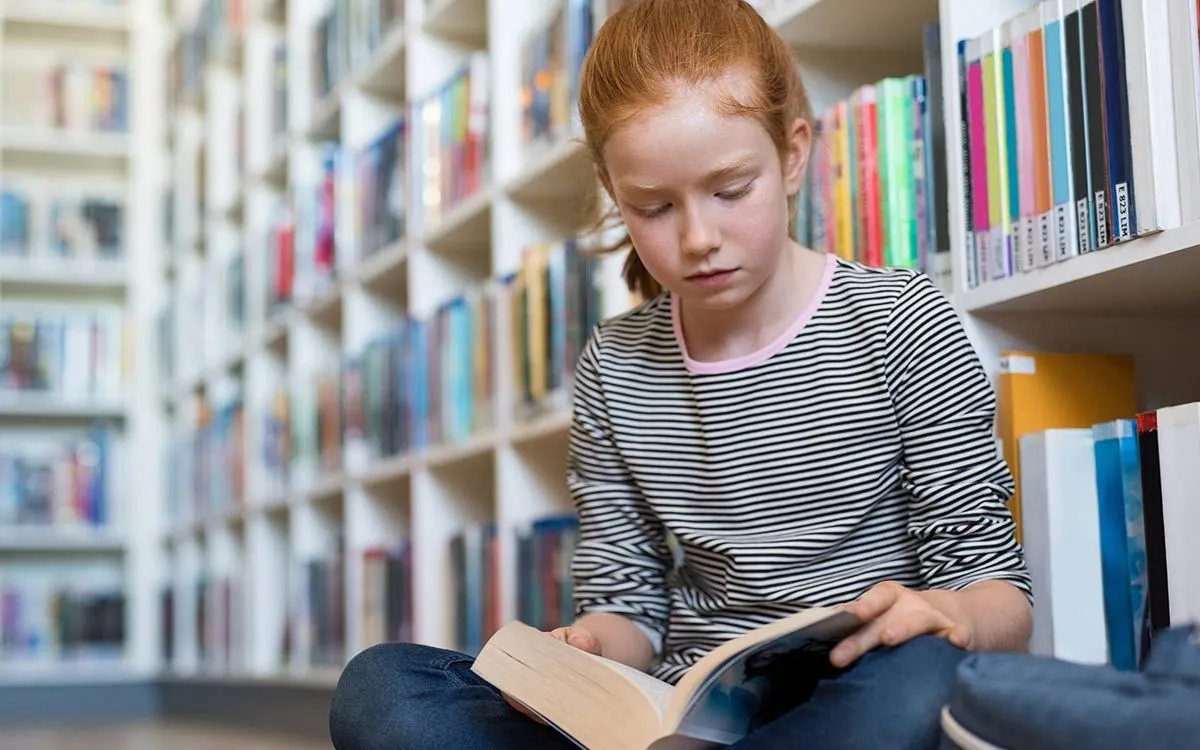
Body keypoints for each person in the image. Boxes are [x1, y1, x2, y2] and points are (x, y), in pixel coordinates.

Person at [328, 0, 1034, 747]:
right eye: (655, 206)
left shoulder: (901, 320)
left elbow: (999, 594)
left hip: (861, 687)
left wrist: (954, 616)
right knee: (384, 689)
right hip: (695, 711)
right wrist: (584, 653)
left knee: (924, 681)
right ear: (612, 189)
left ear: (793, 153)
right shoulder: (616, 364)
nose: (699, 238)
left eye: (731, 190)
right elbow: (626, 606)